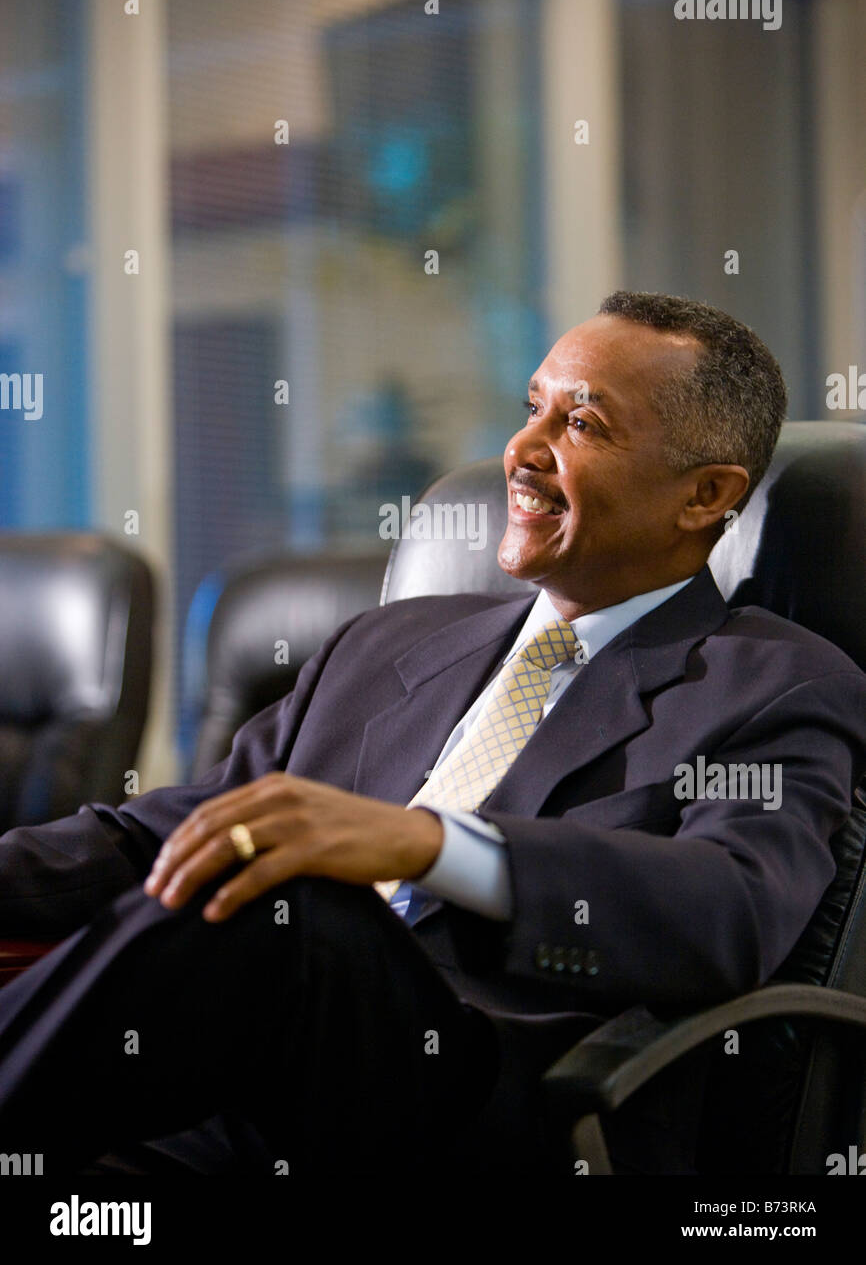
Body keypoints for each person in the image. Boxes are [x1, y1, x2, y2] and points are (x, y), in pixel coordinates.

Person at [1, 290, 865, 1177]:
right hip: (247, 1101)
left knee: (283, 903)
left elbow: (732, 909)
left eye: (583, 424)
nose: (523, 452)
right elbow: (172, 830)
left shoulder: (776, 685)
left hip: (498, 1110)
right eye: (533, 408)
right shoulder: (386, 642)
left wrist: (427, 842)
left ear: (705, 496)